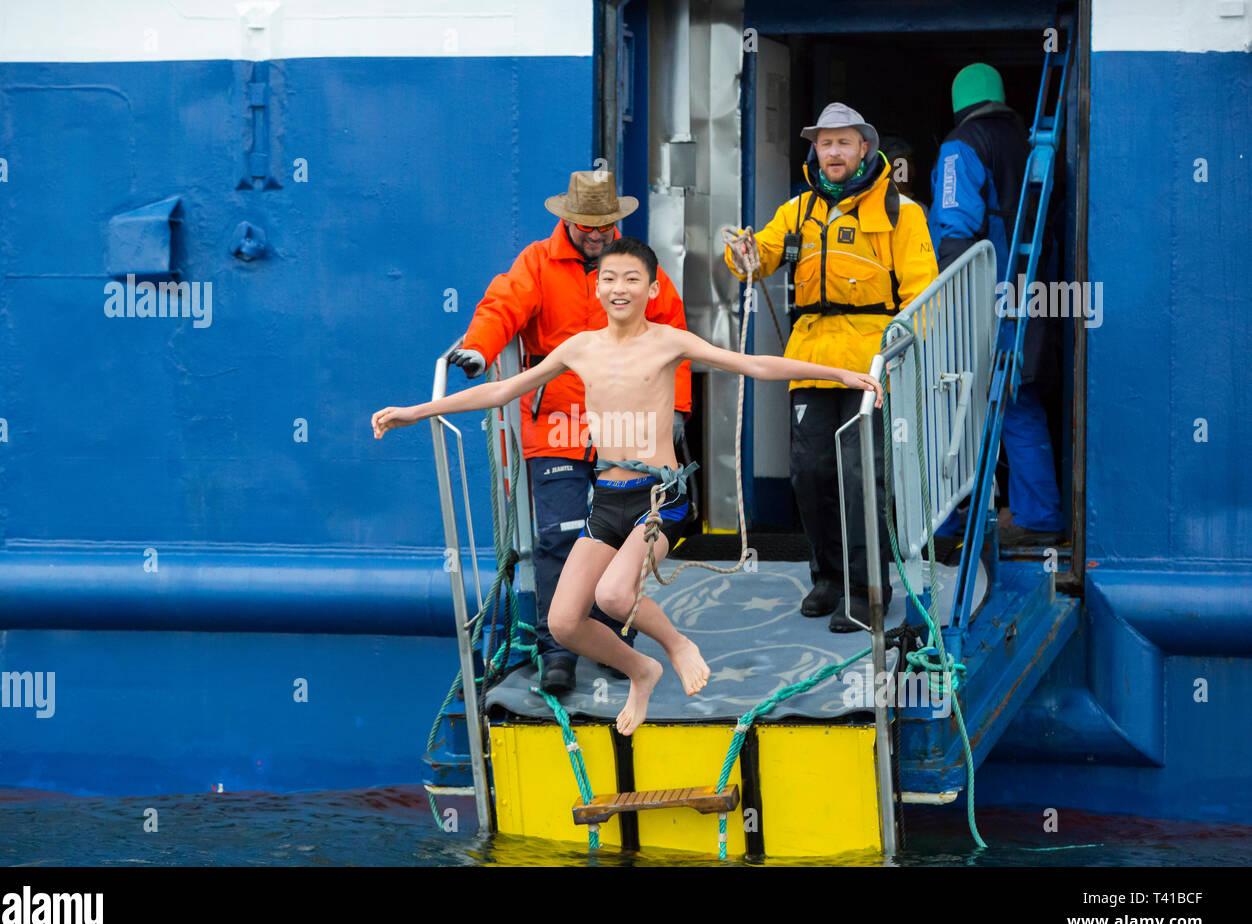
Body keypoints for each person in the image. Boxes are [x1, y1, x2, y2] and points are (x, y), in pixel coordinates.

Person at [373, 237, 882, 734]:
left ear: (653, 289)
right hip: (607, 501)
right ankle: (642, 670)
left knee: (615, 596)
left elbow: (753, 365)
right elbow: (503, 389)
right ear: (597, 287)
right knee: (563, 622)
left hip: (659, 500)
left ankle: (677, 645)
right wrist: (417, 411)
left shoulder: (667, 341)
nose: (620, 288)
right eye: (610, 278)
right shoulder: (580, 348)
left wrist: (840, 374)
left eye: (633, 279)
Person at [448, 171, 693, 694]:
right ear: (567, 219)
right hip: (556, 419)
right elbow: (502, 307)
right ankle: (556, 649)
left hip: (622, 427)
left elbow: (673, 331)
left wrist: (677, 409)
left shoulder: (632, 268)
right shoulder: (537, 263)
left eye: (605, 225)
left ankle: (611, 641)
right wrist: (477, 348)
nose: (596, 234)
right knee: (559, 538)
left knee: (623, 538)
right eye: (585, 224)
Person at [724, 103, 938, 631]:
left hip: (871, 364)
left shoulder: (901, 212)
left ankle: (870, 590)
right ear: (815, 150)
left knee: (864, 478)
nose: (834, 152)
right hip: (811, 357)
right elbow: (760, 259)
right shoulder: (797, 210)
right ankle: (828, 579)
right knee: (811, 475)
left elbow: (922, 296)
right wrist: (741, 253)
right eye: (825, 143)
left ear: (864, 146)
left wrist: (900, 353)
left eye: (844, 142)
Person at [928, 63, 1063, 548]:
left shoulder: (960, 144)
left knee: (953, 402)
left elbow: (955, 225)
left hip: (985, 295)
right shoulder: (1027, 141)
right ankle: (1038, 512)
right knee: (1018, 398)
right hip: (1036, 292)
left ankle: (946, 524)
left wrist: (953, 303)